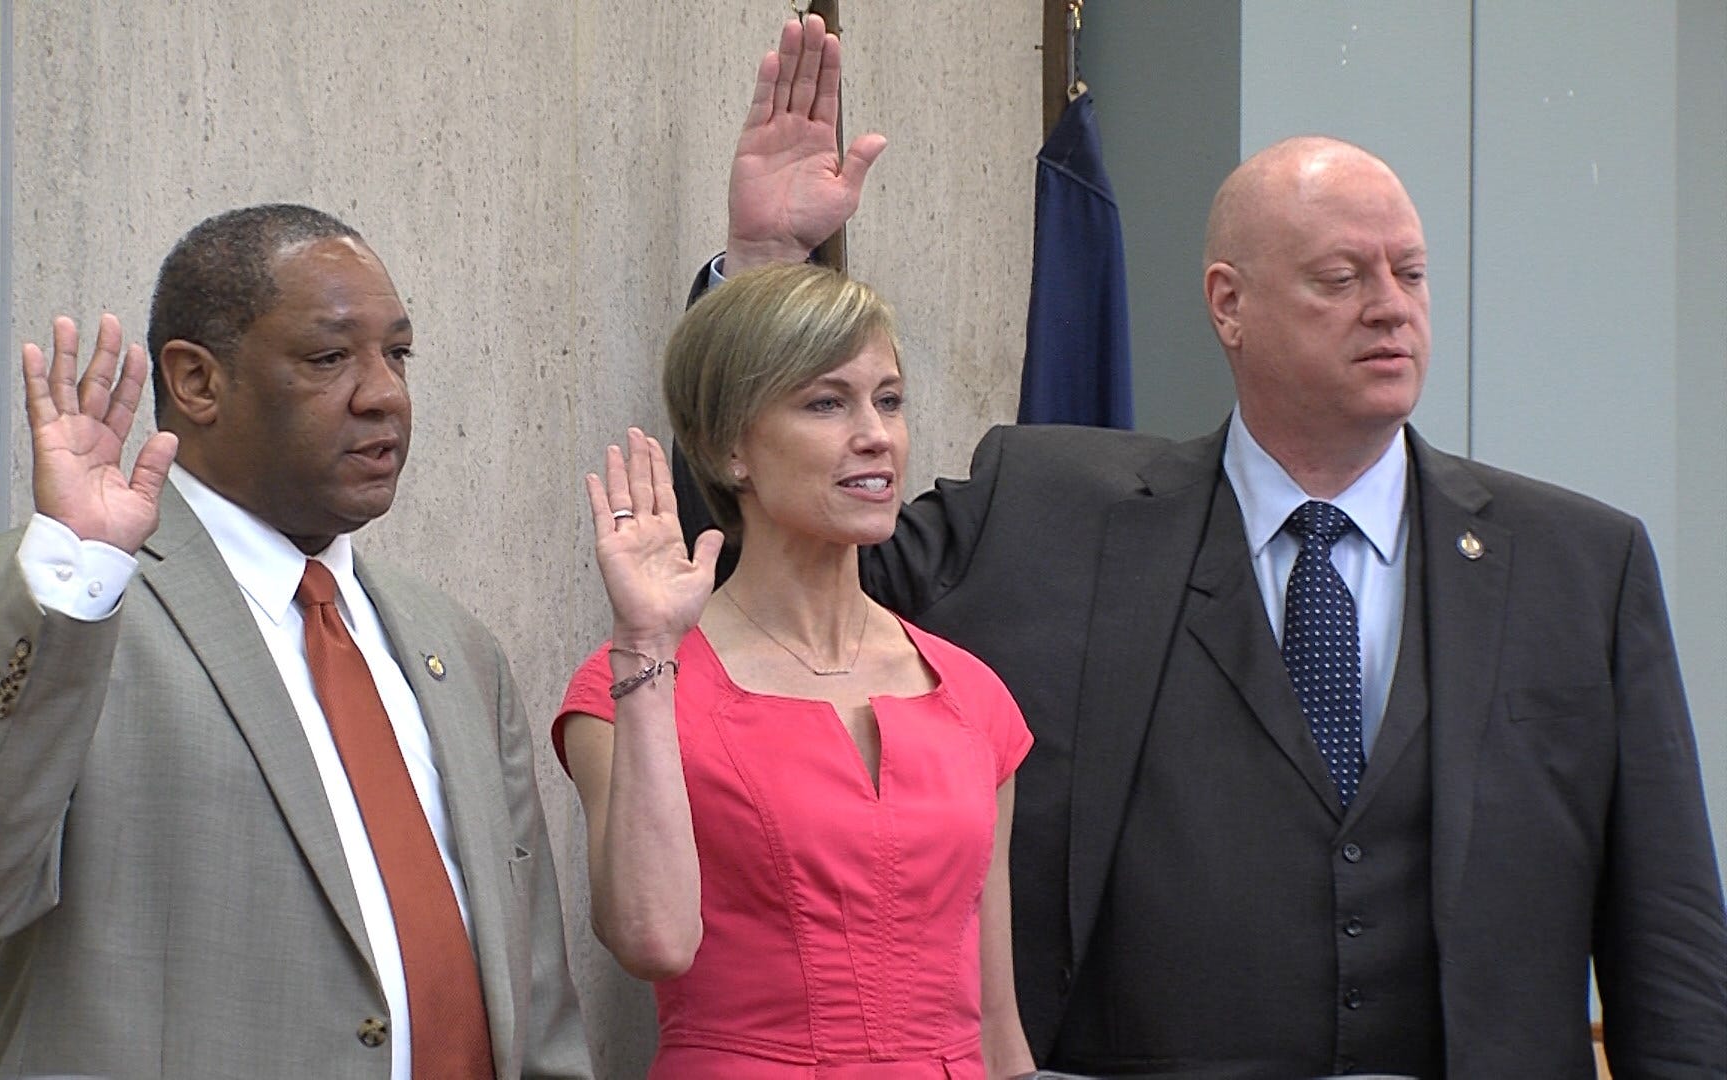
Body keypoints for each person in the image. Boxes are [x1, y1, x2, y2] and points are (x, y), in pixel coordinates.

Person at [684, 19, 1727, 1078]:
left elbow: (1671, 936)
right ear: (1230, 304)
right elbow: (753, 573)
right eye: (1341, 278)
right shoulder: (1042, 509)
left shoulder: (1579, 566)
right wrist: (769, 272)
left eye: (1409, 274)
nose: (1391, 310)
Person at [0, 205, 592, 1080]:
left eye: (397, 353)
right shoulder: (65, 605)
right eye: (329, 358)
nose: (385, 392)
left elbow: (534, 1003)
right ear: (199, 383)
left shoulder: (455, 646)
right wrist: (74, 580)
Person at [556, 263, 1038, 1078]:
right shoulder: (633, 682)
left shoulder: (972, 694)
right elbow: (653, 939)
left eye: (889, 400)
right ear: (728, 448)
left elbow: (995, 1016)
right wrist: (643, 645)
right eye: (826, 403)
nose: (875, 434)